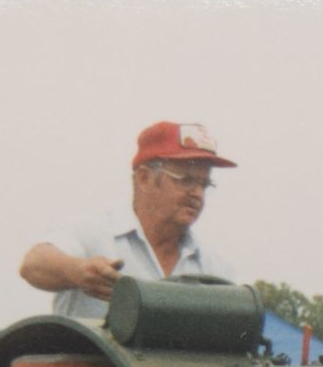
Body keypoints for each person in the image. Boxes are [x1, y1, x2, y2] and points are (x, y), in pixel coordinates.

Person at [20, 121, 239, 319]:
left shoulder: (215, 267)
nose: (197, 194)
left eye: (204, 184)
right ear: (143, 178)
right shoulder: (92, 232)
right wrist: (78, 271)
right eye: (186, 180)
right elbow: (33, 265)